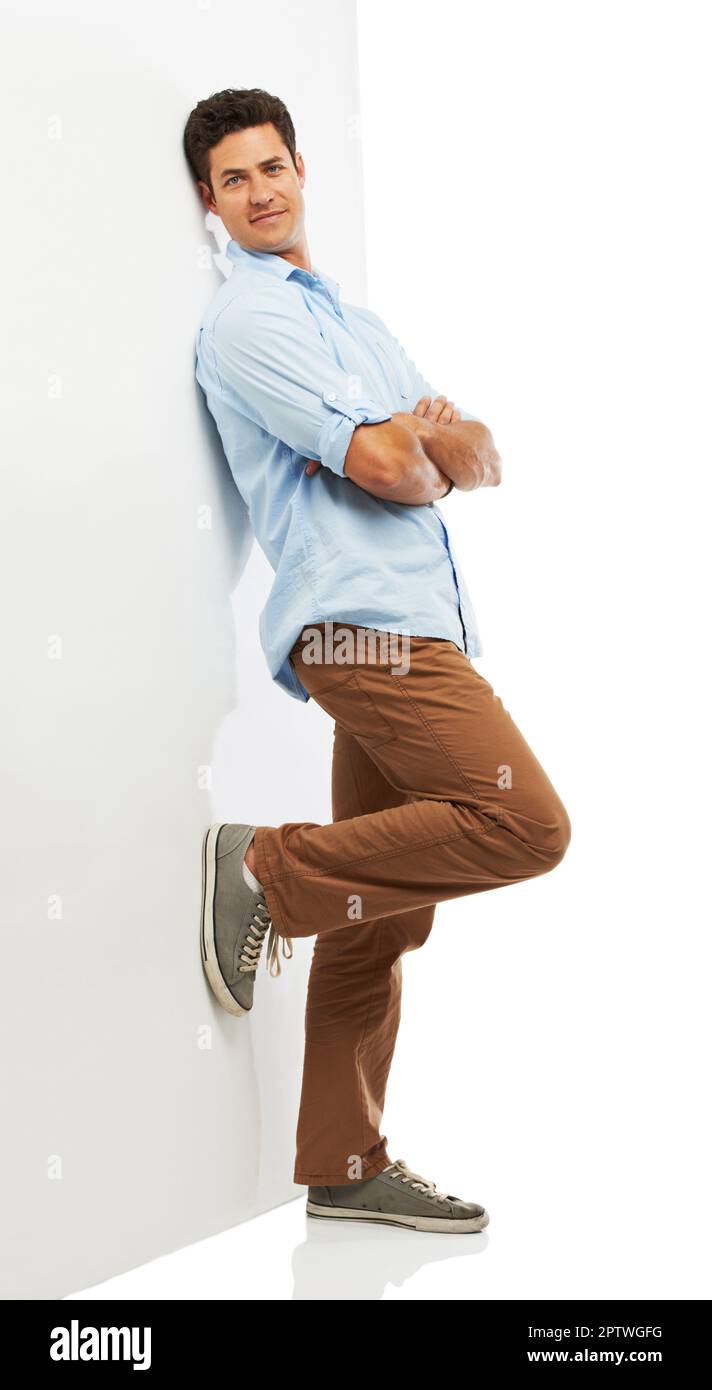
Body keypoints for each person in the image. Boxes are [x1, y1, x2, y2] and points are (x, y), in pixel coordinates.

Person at [184, 87, 571, 1234]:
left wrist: (424, 447)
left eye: (272, 169)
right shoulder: (247, 323)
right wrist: (410, 444)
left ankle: (344, 1162)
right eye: (233, 180)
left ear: (300, 170)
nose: (259, 193)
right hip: (364, 625)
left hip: (416, 620)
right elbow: (396, 464)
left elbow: (475, 452)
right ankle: (264, 866)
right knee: (523, 823)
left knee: (382, 913)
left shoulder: (351, 321)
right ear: (210, 203)